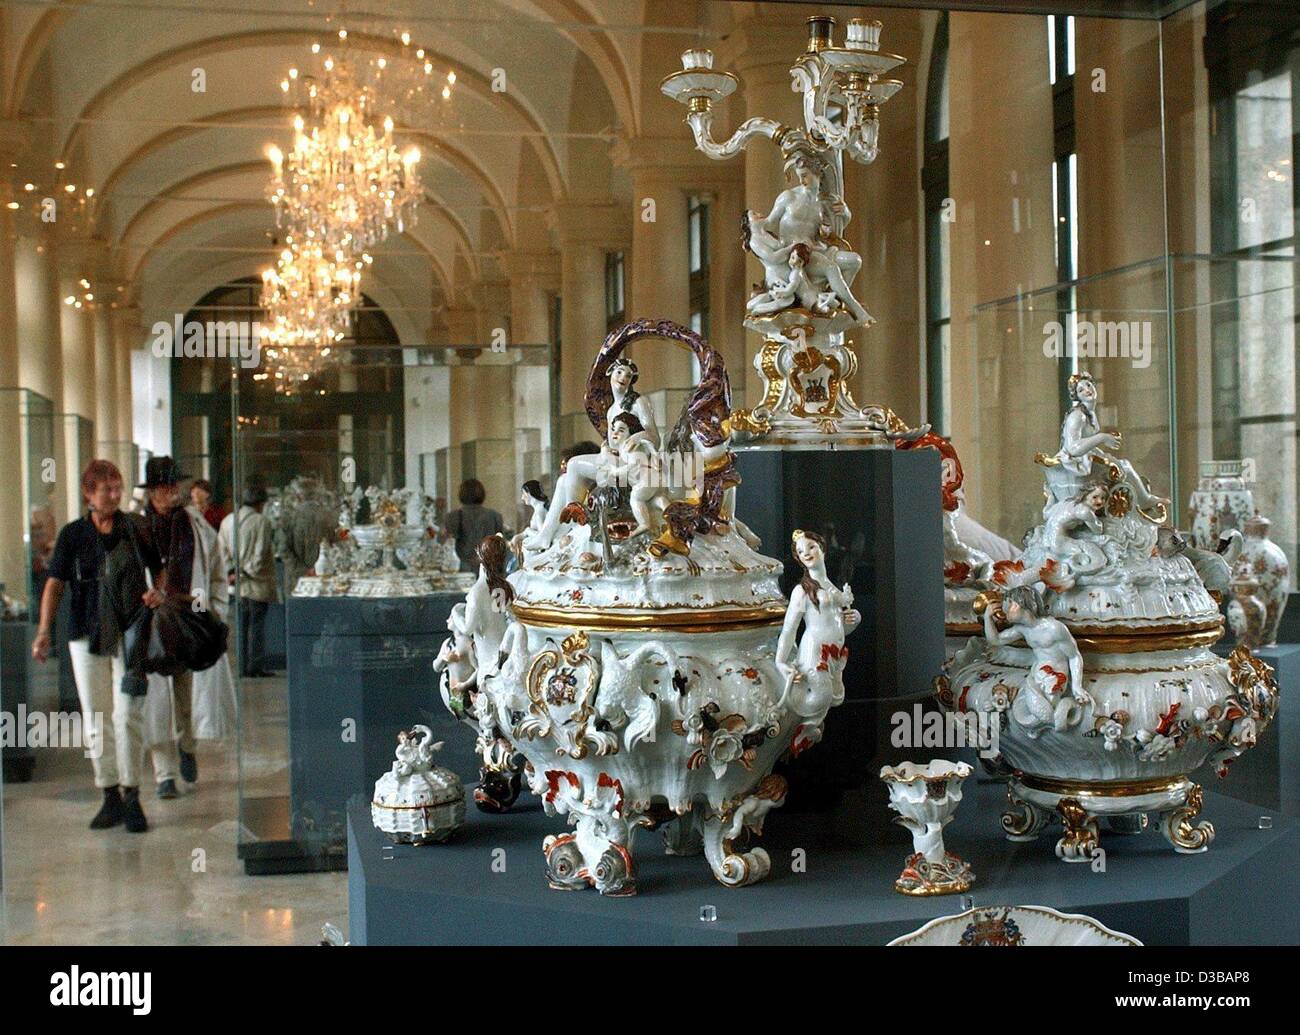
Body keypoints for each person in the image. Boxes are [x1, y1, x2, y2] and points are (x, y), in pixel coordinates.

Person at [31, 459, 163, 833]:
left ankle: (133, 793)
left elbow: (160, 569)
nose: (114, 494)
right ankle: (109, 794)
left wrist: (159, 592)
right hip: (85, 632)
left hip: (129, 632)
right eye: (106, 488)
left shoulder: (136, 528)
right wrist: (43, 631)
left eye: (118, 487)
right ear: (89, 493)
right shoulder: (73, 535)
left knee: (128, 715)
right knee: (96, 717)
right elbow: (55, 584)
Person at [138, 456, 200, 788]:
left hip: (184, 614)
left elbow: (205, 567)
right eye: (166, 487)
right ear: (153, 492)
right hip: (150, 619)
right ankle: (164, 772)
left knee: (184, 692)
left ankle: (187, 744)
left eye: (175, 486)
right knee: (156, 700)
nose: (173, 492)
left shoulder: (189, 524)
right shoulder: (137, 526)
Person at [219, 485, 279, 677]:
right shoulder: (261, 522)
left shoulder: (228, 520)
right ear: (260, 504)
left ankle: (242, 665)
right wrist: (246, 572)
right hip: (256, 583)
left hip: (236, 585)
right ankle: (255, 666)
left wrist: (231, 572)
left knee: (241, 627)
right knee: (256, 628)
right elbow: (260, 554)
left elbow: (221, 550)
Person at [444, 479, 505, 572]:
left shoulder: (453, 516)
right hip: (489, 569)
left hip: (462, 569)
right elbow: (500, 546)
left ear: (461, 494)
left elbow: (448, 545)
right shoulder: (495, 516)